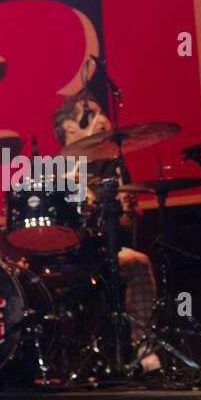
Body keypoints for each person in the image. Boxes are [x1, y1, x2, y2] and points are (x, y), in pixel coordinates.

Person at [52, 93, 160, 370]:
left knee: (138, 262)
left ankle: (142, 348)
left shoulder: (110, 166)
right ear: (69, 127)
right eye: (91, 114)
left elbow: (125, 226)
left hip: (101, 252)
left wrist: (127, 213)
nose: (103, 120)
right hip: (60, 255)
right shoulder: (50, 169)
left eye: (102, 113)